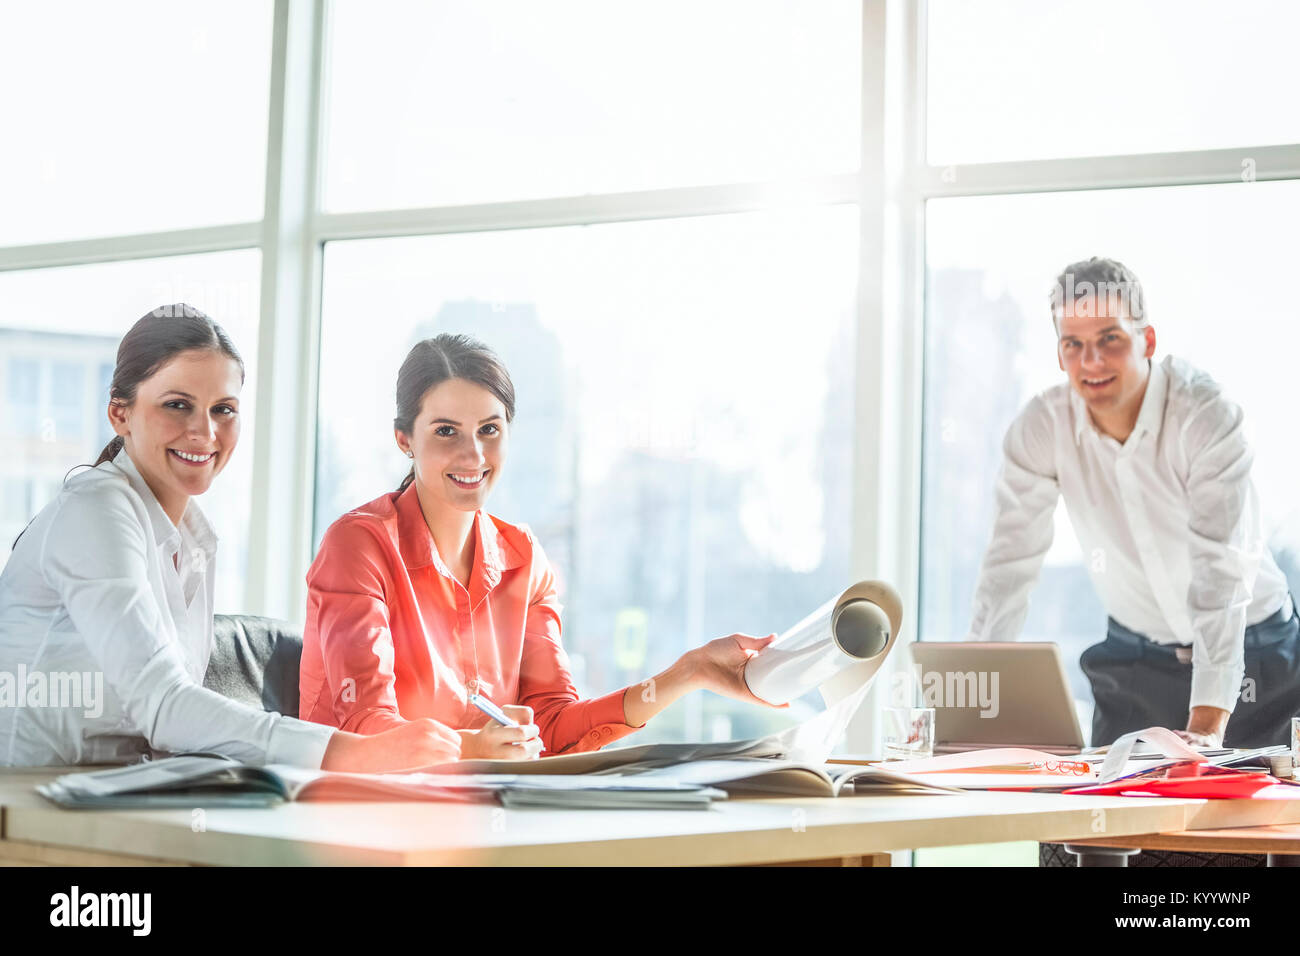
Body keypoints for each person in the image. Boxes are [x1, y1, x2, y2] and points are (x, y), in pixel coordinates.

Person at [0, 305, 462, 771]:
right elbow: (162, 704)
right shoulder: (95, 508)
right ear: (120, 415)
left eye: (223, 409)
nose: (204, 432)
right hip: (27, 799)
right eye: (177, 405)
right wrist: (353, 752)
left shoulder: (195, 538)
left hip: (121, 791)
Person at [299, 333, 781, 759]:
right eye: (446, 431)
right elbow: (363, 728)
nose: (473, 454)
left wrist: (687, 673)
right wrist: (476, 747)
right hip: (356, 818)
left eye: (490, 429)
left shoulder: (524, 558)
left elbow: (552, 727)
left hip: (478, 819)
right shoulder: (359, 545)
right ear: (404, 439)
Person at [966, 258, 1300, 749]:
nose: (1091, 361)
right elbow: (1008, 566)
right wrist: (977, 701)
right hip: (1137, 662)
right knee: (1089, 823)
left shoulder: (1205, 415)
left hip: (1256, 655)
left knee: (1255, 820)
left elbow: (1220, 575)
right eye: (1073, 344)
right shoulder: (1042, 427)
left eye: (1109, 339)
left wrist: (1207, 725)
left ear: (1147, 341)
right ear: (1059, 355)